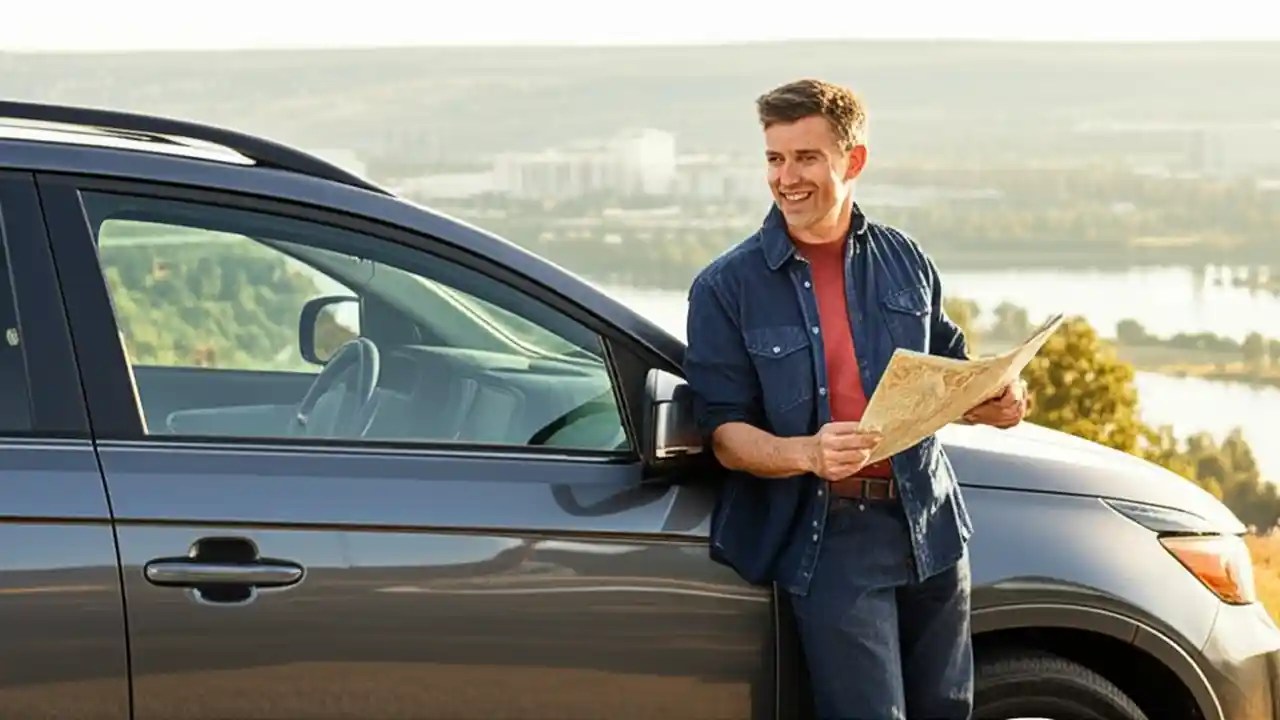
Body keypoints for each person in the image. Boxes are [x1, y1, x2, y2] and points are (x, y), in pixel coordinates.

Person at [683, 78, 1028, 720]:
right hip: (830, 539)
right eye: (774, 159)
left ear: (854, 160)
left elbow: (953, 374)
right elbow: (725, 436)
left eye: (805, 158)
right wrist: (808, 453)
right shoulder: (726, 287)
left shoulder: (905, 260)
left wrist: (1000, 399)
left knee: (948, 711)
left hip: (932, 525)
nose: (787, 178)